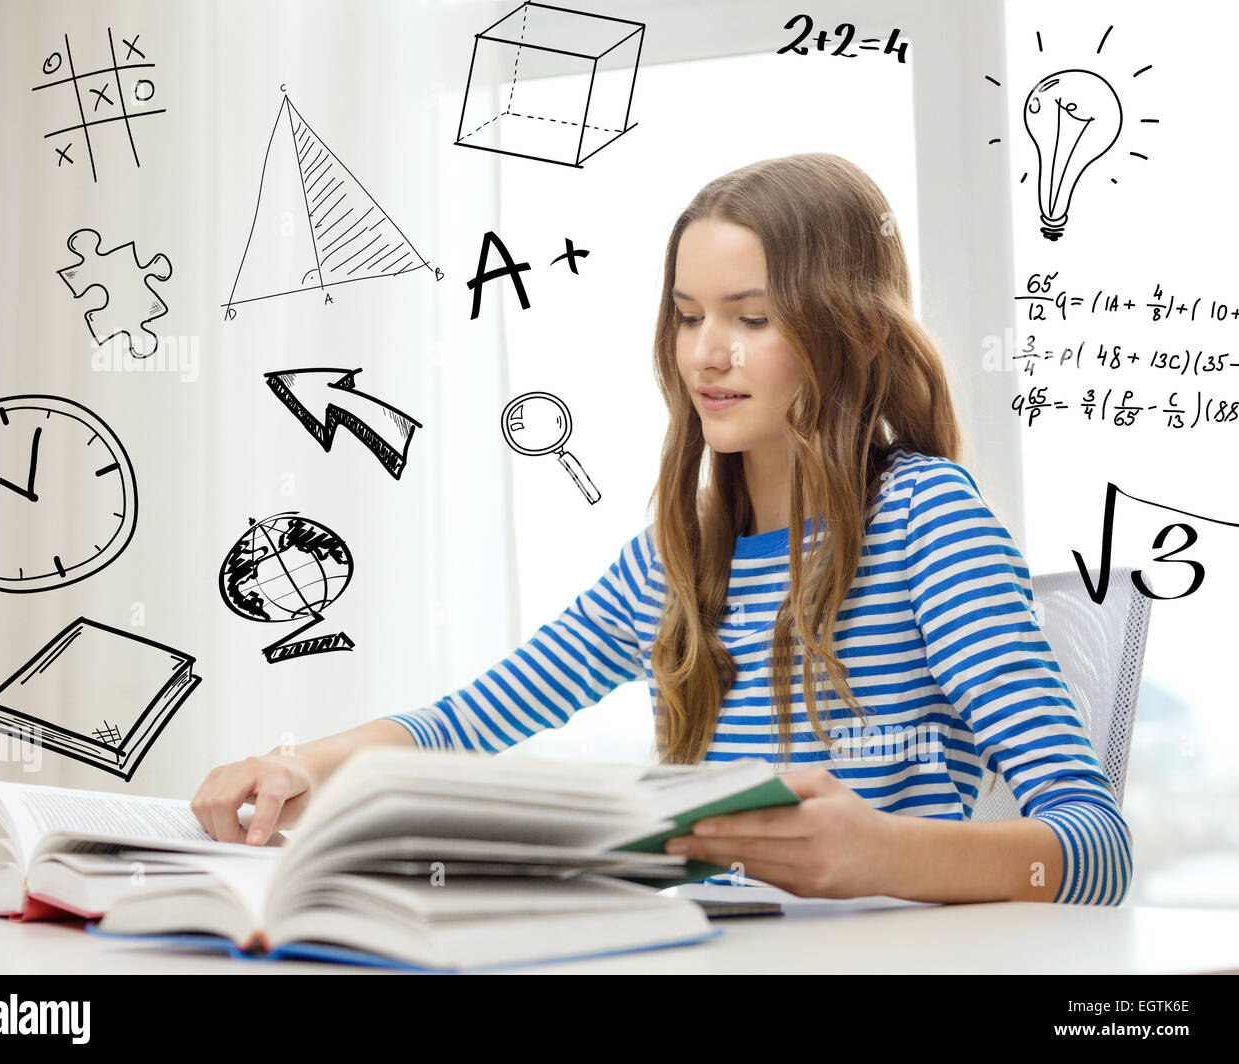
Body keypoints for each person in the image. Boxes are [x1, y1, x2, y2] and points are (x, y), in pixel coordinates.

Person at [193, 153, 1131, 906]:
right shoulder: (676, 559)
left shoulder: (930, 521)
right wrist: (296, 768)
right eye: (687, 318)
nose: (705, 355)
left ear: (861, 334)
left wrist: (882, 857)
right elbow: (468, 723)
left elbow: (1095, 846)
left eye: (752, 318)